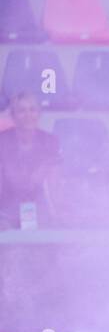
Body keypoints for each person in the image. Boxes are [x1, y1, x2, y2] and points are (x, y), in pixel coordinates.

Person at [0, 92, 61, 230]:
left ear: (39, 114)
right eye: (22, 111)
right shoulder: (1, 141)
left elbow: (55, 184)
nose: (28, 115)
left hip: (40, 211)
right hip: (6, 212)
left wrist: (57, 214)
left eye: (33, 110)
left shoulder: (50, 142)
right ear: (13, 116)